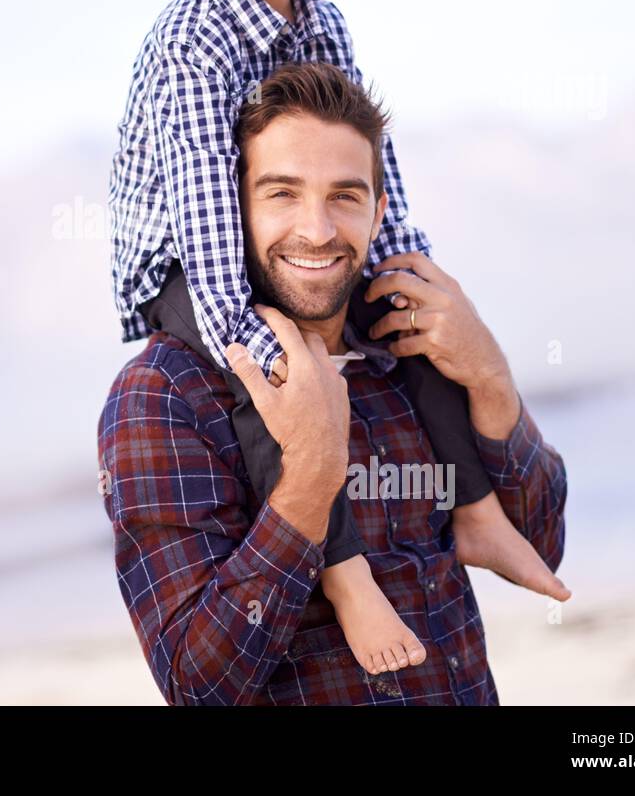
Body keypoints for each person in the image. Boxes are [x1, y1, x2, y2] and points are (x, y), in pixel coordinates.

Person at [108, 0, 567, 673]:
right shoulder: (193, 47)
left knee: (409, 305)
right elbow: (210, 223)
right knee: (263, 371)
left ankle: (473, 508)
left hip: (262, 248)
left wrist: (411, 276)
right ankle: (345, 567)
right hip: (179, 262)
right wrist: (263, 343)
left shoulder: (327, 23)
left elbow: (372, 173)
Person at [97, 61, 569, 704]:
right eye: (282, 193)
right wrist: (310, 483)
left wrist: (489, 379)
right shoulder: (165, 395)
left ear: (378, 213)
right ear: (231, 207)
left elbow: (541, 542)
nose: (316, 231)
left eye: (344, 196)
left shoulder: (409, 356)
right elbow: (196, 683)